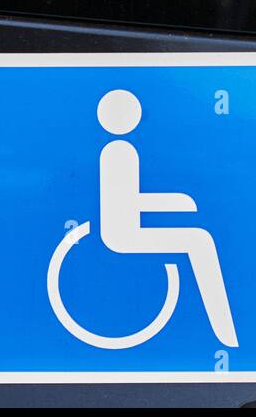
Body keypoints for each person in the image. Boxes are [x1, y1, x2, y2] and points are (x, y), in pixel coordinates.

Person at [96, 89, 238, 347]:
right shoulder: (119, 151)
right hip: (122, 235)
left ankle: (224, 326)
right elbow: (125, 204)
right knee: (199, 240)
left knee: (199, 239)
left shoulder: (121, 149)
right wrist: (177, 201)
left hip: (129, 227)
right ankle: (223, 327)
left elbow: (131, 200)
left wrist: (178, 201)